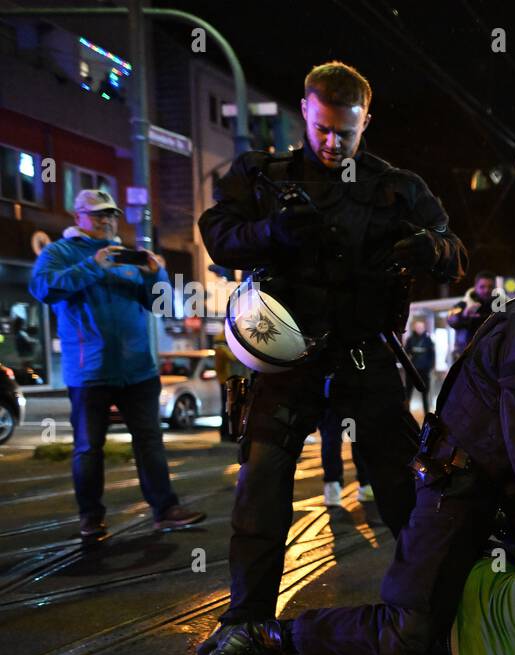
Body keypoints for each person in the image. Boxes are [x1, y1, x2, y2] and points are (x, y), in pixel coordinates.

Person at [197, 220, 515, 655]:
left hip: (500, 499)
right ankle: (265, 635)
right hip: (458, 492)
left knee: (469, 626)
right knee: (407, 634)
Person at [198, 61, 467, 625]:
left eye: (346, 131)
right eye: (323, 128)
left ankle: (440, 617)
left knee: (403, 492)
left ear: (366, 121)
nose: (332, 142)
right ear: (305, 111)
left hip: (365, 356)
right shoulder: (262, 176)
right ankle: (245, 627)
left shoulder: (397, 188)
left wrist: (431, 251)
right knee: (261, 492)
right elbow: (218, 236)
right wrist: (267, 233)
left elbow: (454, 251)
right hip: (284, 361)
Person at [29, 188, 205, 541]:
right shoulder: (59, 253)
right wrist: (93, 267)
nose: (108, 221)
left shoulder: (129, 257)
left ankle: (165, 509)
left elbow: (162, 306)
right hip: (89, 370)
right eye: (98, 215)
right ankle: (91, 518)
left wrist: (156, 274)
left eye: (111, 215)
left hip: (139, 369)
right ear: (77, 216)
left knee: (150, 440)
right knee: (88, 446)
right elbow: (42, 288)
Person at [318, 406, 371, 506]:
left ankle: (333, 487)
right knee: (353, 440)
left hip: (336, 403)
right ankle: (365, 483)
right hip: (346, 403)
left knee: (332, 441)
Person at [447, 271, 495, 362]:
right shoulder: (463, 304)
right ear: (475, 287)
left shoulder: (501, 306)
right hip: (465, 355)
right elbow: (451, 320)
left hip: (489, 356)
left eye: (490, 287)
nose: (486, 290)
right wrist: (464, 316)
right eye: (482, 287)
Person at [402, 317, 435, 420]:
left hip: (424, 371)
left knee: (425, 394)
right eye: (417, 327)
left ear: (424, 328)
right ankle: (407, 415)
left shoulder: (428, 339)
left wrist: (430, 367)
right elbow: (405, 354)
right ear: (414, 328)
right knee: (408, 394)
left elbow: (432, 355)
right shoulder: (410, 339)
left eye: (421, 327)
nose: (419, 329)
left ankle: (427, 415)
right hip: (412, 371)